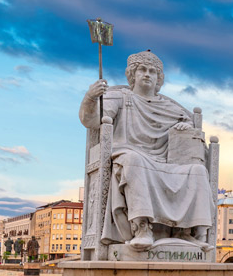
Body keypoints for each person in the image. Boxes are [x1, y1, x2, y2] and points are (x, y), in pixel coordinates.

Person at [79, 50, 213, 252]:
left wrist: (186, 128)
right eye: (142, 69)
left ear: (159, 78)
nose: (147, 74)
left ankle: (185, 233)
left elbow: (192, 135)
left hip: (165, 161)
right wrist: (90, 98)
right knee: (134, 161)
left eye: (153, 71)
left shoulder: (171, 108)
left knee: (197, 170)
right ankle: (142, 227)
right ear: (132, 74)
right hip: (129, 154)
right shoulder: (119, 98)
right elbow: (91, 121)